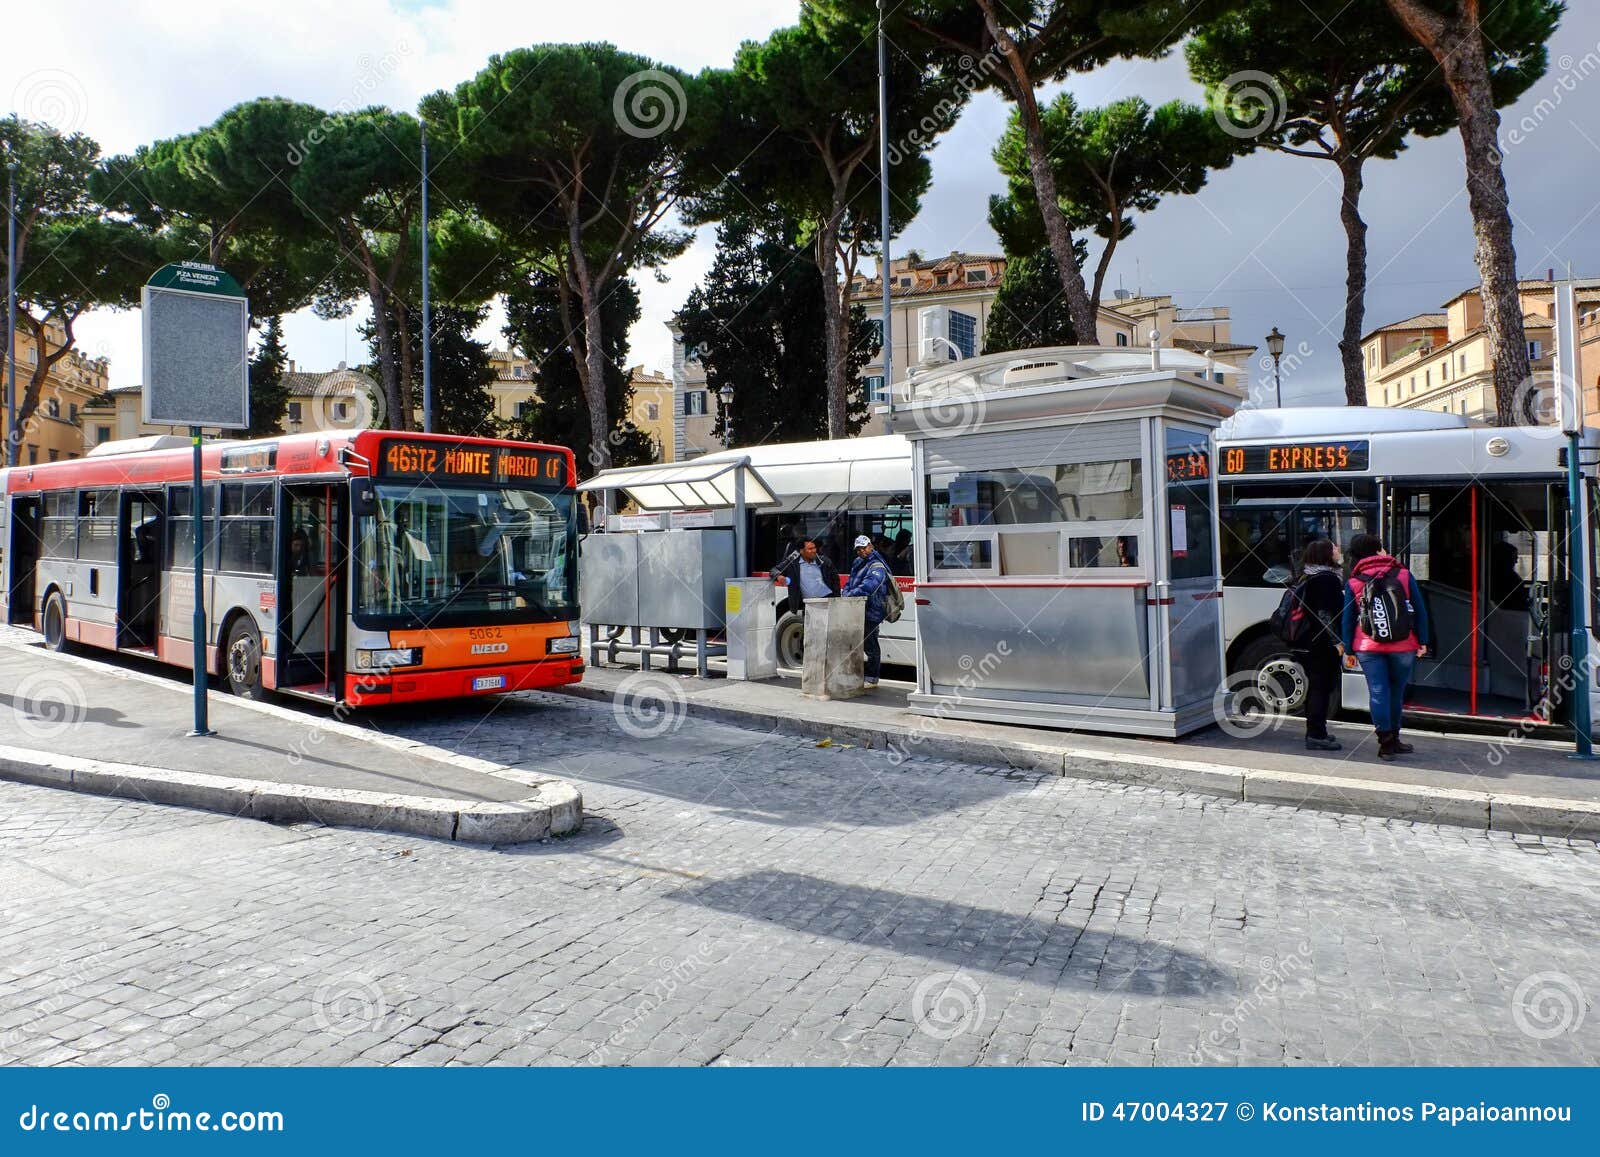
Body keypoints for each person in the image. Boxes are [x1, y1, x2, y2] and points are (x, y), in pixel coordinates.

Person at [1341, 532, 1430, 760]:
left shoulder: (1354, 581)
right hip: (1403, 644)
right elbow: (1420, 610)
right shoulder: (1403, 574)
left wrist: (1349, 649)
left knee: (1378, 691)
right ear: (1378, 550)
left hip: (1367, 647)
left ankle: (1386, 743)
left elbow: (1348, 619)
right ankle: (1396, 738)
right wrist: (1423, 641)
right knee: (1396, 692)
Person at [1294, 538, 1345, 752]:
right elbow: (1325, 615)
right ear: (1326, 554)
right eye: (1334, 548)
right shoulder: (1327, 579)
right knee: (1321, 688)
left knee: (1318, 687)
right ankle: (1316, 735)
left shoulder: (1308, 575)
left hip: (1309, 641)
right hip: (1322, 644)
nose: (1338, 550)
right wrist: (1337, 642)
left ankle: (1317, 731)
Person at [841, 533, 894, 686]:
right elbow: (850, 581)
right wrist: (846, 592)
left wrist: (849, 594)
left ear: (870, 546)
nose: (861, 551)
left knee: (870, 645)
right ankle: (856, 674)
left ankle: (872, 676)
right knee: (856, 642)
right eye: (858, 549)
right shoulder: (857, 562)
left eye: (863, 548)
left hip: (872, 610)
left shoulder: (877, 564)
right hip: (856, 609)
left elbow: (869, 586)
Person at [773, 538, 839, 618]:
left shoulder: (825, 561)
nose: (814, 551)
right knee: (809, 625)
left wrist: (837, 600)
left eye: (814, 548)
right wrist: (778, 576)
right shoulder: (792, 563)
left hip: (827, 603)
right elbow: (774, 570)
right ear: (801, 551)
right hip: (808, 606)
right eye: (810, 549)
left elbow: (835, 580)